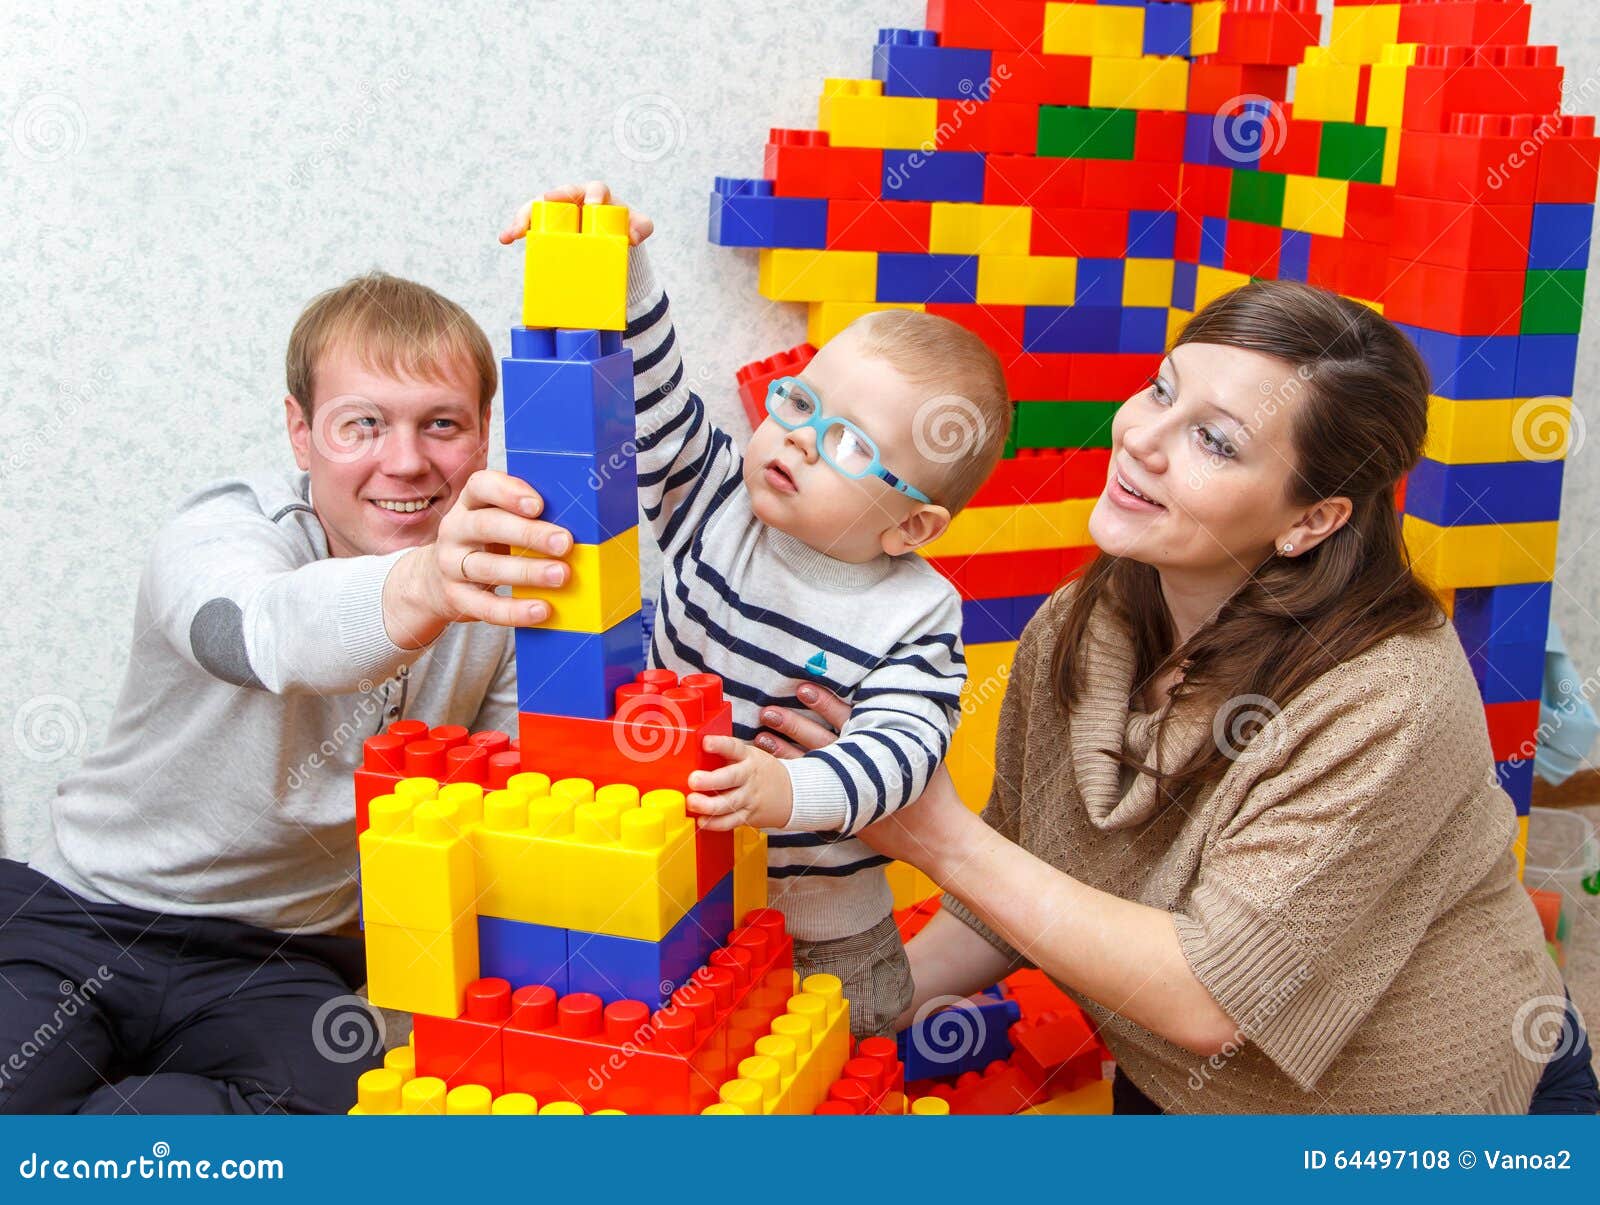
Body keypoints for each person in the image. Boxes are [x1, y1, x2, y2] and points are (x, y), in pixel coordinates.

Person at [752, 279, 1600, 1113]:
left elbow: (1212, 998)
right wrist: (858, 1009)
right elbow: (1018, 882)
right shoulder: (1083, 623)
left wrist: (932, 833)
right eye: (1162, 387)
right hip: (1175, 1092)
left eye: (1216, 442)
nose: (1141, 438)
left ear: (1311, 521)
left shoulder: (1389, 698)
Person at [0, 271, 579, 1114]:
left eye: (442, 424)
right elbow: (256, 634)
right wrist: (423, 582)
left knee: (355, 1110)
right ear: (301, 433)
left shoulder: (508, 593)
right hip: (83, 915)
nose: (407, 460)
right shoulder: (220, 533)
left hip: (275, 958)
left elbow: (497, 795)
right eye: (364, 425)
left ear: (485, 433)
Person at [501, 183, 1013, 1037]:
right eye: (802, 403)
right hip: (677, 892)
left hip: (823, 939)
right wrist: (622, 270)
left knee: (821, 1087)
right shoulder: (722, 499)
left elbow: (902, 755)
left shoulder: (915, 616)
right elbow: (657, 414)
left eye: (851, 443)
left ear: (912, 525)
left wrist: (789, 788)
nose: (800, 440)